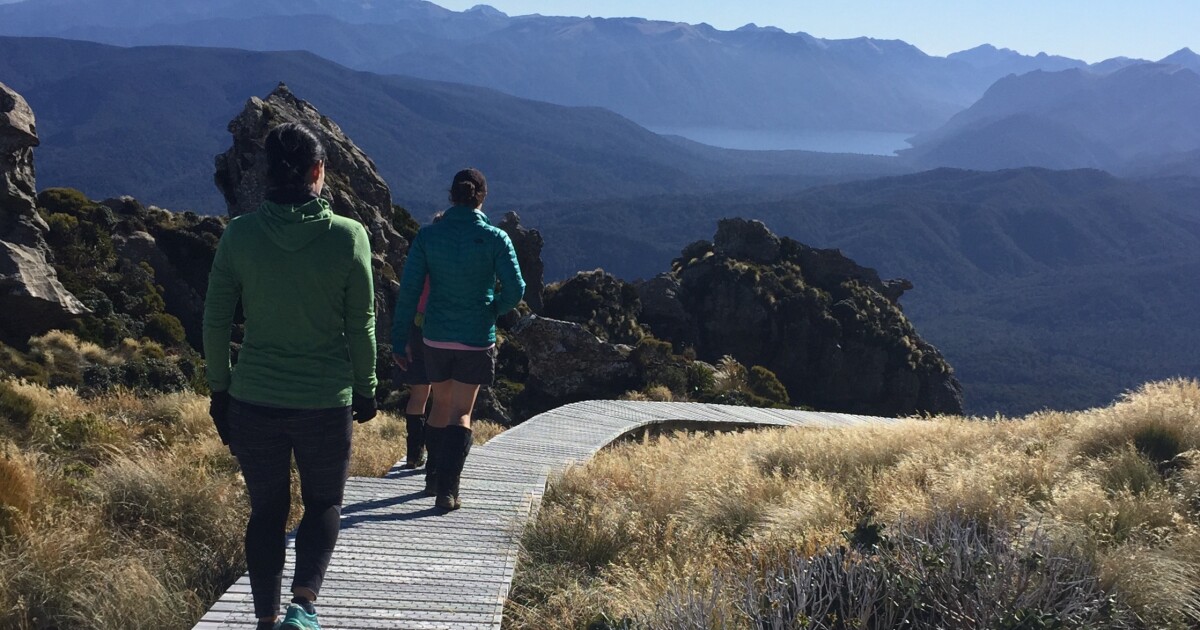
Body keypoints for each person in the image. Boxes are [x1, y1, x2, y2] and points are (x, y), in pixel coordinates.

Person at [203, 122, 378, 630]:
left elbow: (216, 320)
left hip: (253, 399)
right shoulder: (349, 237)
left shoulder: (240, 236)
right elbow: (361, 322)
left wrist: (220, 390)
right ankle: (303, 609)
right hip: (325, 400)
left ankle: (264, 619)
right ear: (317, 172)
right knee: (323, 501)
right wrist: (366, 388)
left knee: (267, 511)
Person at [392, 168, 525, 511]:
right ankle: (448, 491)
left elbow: (408, 293)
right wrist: (492, 308)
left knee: (439, 404)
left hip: (435, 337)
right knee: (462, 412)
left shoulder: (427, 237)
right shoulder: (496, 238)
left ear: (451, 196)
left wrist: (398, 339)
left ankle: (432, 476)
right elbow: (516, 289)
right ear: (483, 196)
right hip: (476, 338)